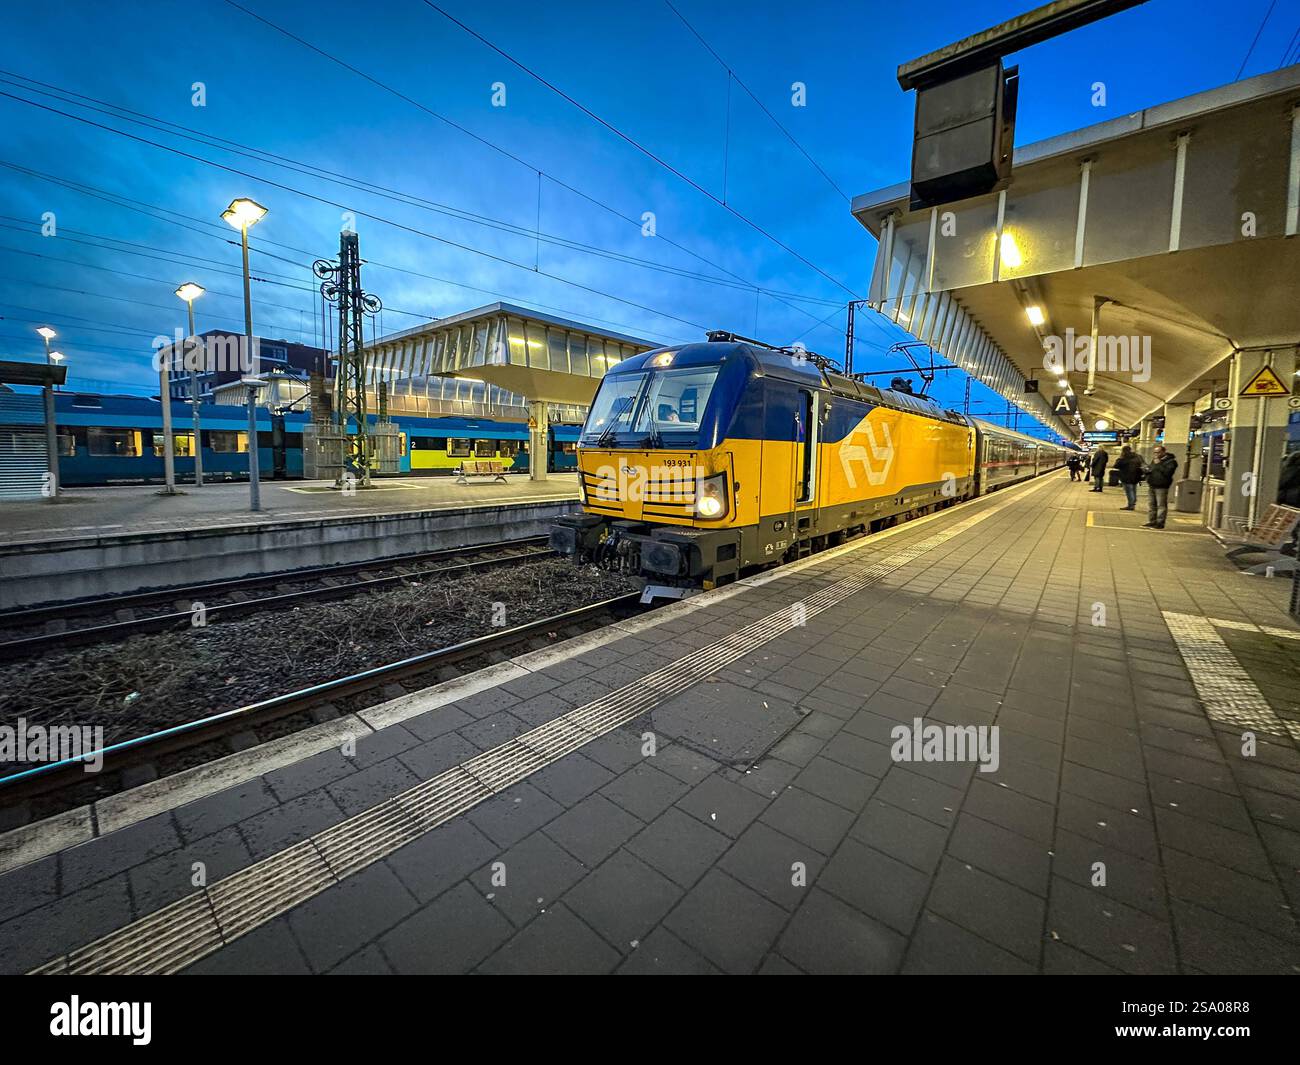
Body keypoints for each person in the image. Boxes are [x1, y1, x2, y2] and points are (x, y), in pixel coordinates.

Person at [1143, 445, 1178, 529]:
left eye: (1158, 452)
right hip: (1152, 484)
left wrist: (1158, 464)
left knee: (1161, 505)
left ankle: (1160, 523)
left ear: (1163, 452)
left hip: (1162, 486)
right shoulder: (1154, 460)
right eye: (1155, 452)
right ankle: (1152, 521)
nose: (1156, 454)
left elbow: (1167, 473)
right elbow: (1152, 469)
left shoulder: (1171, 462)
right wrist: (1146, 471)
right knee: (1152, 505)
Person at [1113, 445, 1143, 510]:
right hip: (1136, 477)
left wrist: (1120, 458)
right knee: (1133, 490)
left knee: (1129, 492)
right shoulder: (1137, 456)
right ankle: (1133, 503)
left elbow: (1116, 465)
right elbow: (1141, 465)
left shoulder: (1124, 457)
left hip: (1126, 477)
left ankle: (1131, 505)